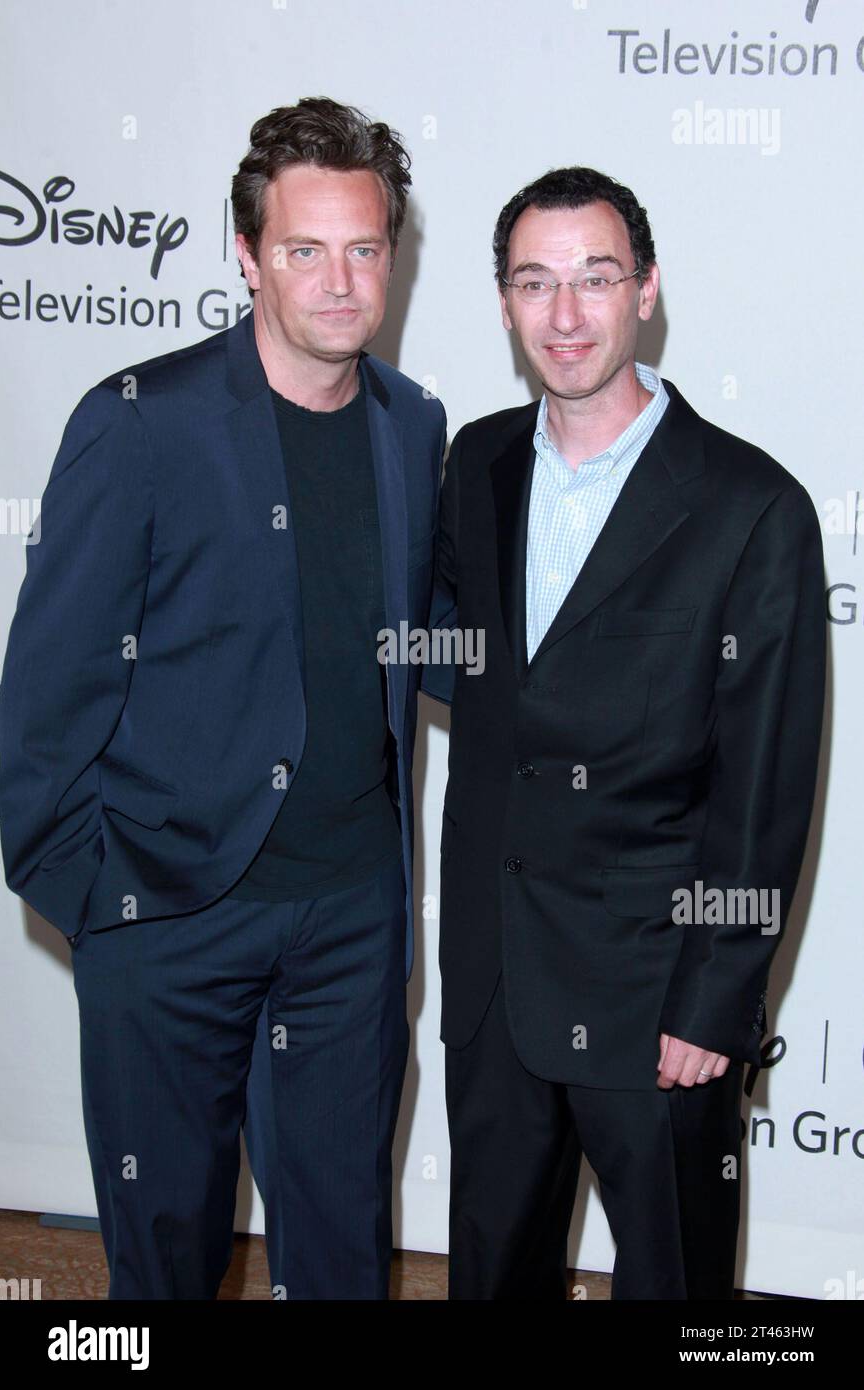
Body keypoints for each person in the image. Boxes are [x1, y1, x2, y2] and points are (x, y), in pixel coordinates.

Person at [0, 96, 446, 1300]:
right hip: (168, 916)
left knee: (341, 1255)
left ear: (391, 255)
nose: (339, 282)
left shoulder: (412, 427)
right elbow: (45, 693)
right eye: (304, 249)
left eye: (362, 248)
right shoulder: (141, 424)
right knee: (165, 1263)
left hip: (350, 923)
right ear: (246, 255)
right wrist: (98, 905)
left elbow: (420, 639)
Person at [422, 166, 825, 1299]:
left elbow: (764, 789)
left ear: (646, 290)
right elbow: (477, 666)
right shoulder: (477, 463)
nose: (564, 314)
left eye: (594, 279)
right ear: (504, 301)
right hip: (496, 986)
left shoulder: (751, 505)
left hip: (654, 998)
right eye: (533, 282)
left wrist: (713, 1001)